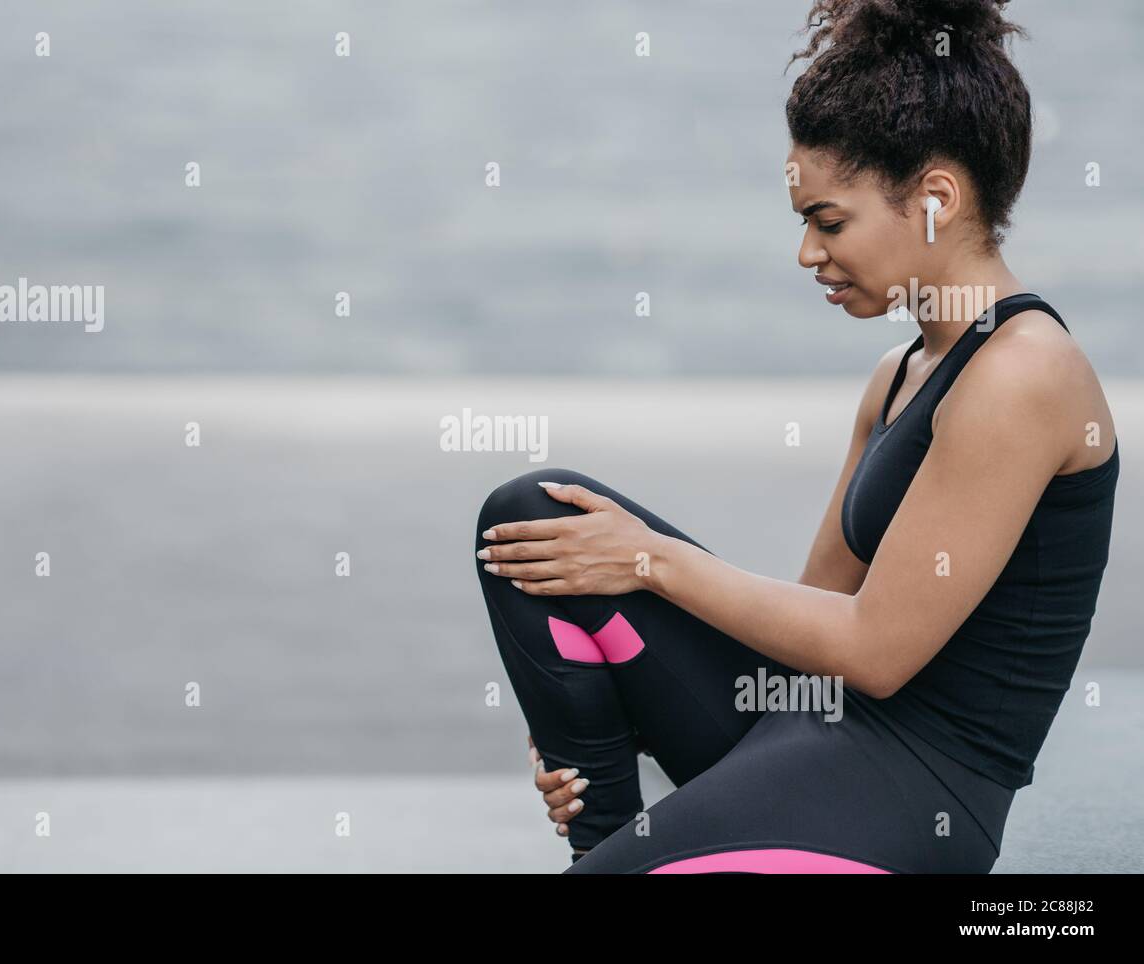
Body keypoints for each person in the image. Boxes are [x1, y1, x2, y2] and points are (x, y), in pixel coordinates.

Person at [473, 0, 1119, 873]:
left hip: (918, 786)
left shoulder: (1025, 372)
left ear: (934, 199)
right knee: (530, 517)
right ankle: (609, 842)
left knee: (607, 551)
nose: (807, 254)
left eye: (830, 221)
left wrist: (649, 559)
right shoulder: (898, 376)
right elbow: (810, 624)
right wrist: (603, 717)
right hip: (807, 722)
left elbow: (875, 653)